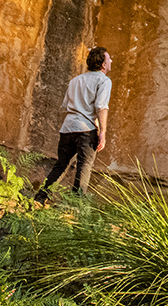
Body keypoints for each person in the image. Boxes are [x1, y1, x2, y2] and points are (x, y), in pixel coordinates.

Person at [34, 46, 112, 202]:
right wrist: (103, 132)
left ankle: (40, 199)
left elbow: (65, 106)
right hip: (86, 130)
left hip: (68, 128)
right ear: (103, 64)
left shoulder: (75, 80)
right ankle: (75, 207)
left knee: (61, 165)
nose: (111, 61)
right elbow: (101, 106)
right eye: (108, 58)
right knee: (84, 168)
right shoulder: (104, 80)